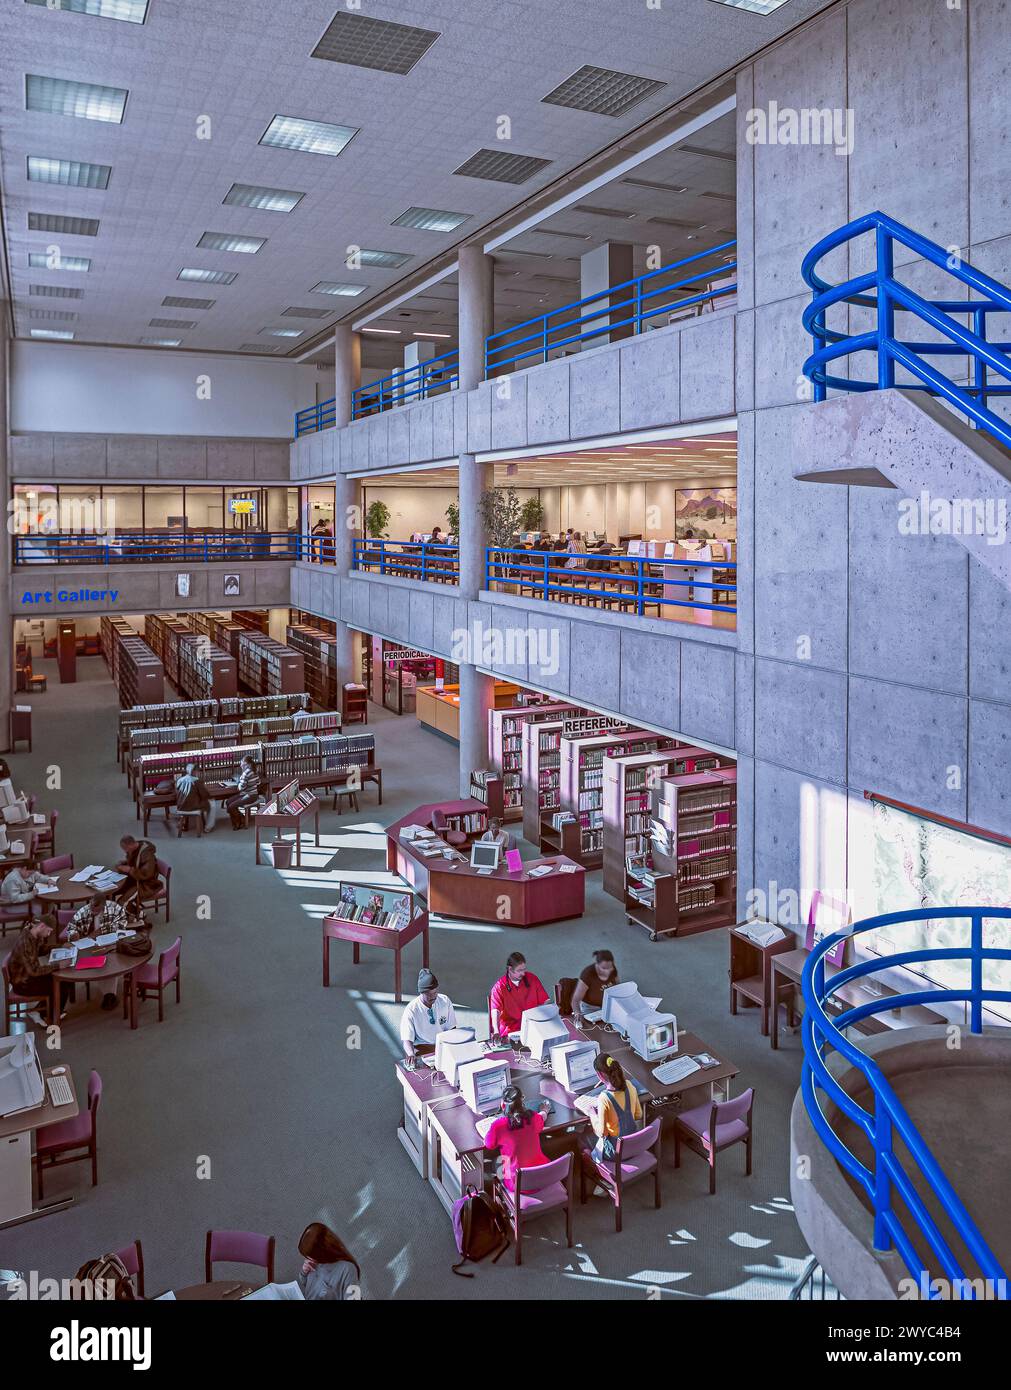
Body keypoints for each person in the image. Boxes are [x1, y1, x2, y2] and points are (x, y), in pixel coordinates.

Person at [67, 889, 136, 1010]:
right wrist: (73, 935)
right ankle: (108, 994)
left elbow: (122, 923)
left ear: (104, 906)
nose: (92, 912)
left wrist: (101, 931)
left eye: (96, 910)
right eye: (91, 909)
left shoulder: (114, 908)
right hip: (88, 945)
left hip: (110, 943)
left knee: (111, 964)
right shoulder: (84, 911)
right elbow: (71, 927)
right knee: (97, 964)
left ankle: (109, 995)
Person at [483, 1084, 551, 1191]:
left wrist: (490, 1128)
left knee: (494, 1161)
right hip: (541, 1178)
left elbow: (489, 1144)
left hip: (517, 1185)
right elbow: (542, 1117)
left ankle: (501, 1198)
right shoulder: (533, 1117)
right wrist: (545, 1110)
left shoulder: (498, 1125)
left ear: (503, 1105)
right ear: (522, 1103)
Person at [7, 918, 71, 1021]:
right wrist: (58, 965)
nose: (49, 934)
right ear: (41, 926)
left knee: (63, 979)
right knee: (60, 986)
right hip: (23, 983)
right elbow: (34, 971)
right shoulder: (25, 942)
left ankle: (42, 1010)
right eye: (49, 931)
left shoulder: (33, 932)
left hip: (27, 975)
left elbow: (41, 949)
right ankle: (47, 1016)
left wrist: (60, 946)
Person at [584, 1054, 643, 1164]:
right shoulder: (629, 1085)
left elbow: (602, 1133)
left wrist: (592, 1114)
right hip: (633, 1145)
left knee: (584, 1137)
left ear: (600, 1075)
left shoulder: (604, 1098)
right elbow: (638, 1115)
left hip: (616, 1152)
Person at [400, 968, 457, 1063]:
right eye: (428, 994)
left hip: (443, 1044)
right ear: (421, 992)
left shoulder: (445, 1000)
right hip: (423, 1047)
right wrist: (410, 1054)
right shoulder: (411, 1010)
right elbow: (407, 1039)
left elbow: (452, 1028)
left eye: (435, 992)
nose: (433, 996)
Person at [489, 952, 549, 1039]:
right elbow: (495, 1011)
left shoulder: (532, 978)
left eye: (524, 969)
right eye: (519, 971)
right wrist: (496, 1031)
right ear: (509, 969)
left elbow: (544, 1002)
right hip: (511, 1033)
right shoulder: (499, 987)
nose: (523, 974)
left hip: (533, 1027)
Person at [297, 1222, 362, 1301]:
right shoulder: (315, 1262)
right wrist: (304, 1273)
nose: (309, 1260)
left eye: (312, 1257)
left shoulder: (347, 1270)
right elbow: (310, 1286)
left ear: (322, 1252)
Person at [115, 835, 161, 909]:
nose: (125, 851)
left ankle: (132, 916)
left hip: (147, 884)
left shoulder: (147, 854)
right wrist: (124, 863)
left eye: (125, 848)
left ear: (131, 844)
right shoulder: (133, 849)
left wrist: (130, 870)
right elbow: (136, 863)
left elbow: (146, 874)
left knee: (122, 902)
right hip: (135, 879)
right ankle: (131, 911)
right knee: (114, 890)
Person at [570, 949, 619, 1015]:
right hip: (590, 1008)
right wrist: (577, 1013)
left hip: (607, 1006)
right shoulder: (588, 974)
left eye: (610, 967)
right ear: (597, 965)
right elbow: (575, 1000)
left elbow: (618, 988)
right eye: (604, 968)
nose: (607, 971)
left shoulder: (613, 970)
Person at [174, 761, 213, 831]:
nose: (198, 773)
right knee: (212, 803)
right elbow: (205, 795)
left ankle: (184, 823)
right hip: (193, 807)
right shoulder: (196, 781)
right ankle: (208, 827)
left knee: (188, 801)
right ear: (194, 771)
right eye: (197, 771)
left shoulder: (179, 780)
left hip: (180, 806)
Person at [224, 755, 260, 830]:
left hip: (249, 795)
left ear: (247, 764)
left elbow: (240, 788)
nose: (240, 765)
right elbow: (258, 782)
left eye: (242, 764)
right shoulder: (254, 771)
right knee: (228, 802)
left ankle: (238, 822)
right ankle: (241, 819)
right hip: (253, 794)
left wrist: (239, 782)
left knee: (231, 806)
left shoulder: (246, 773)